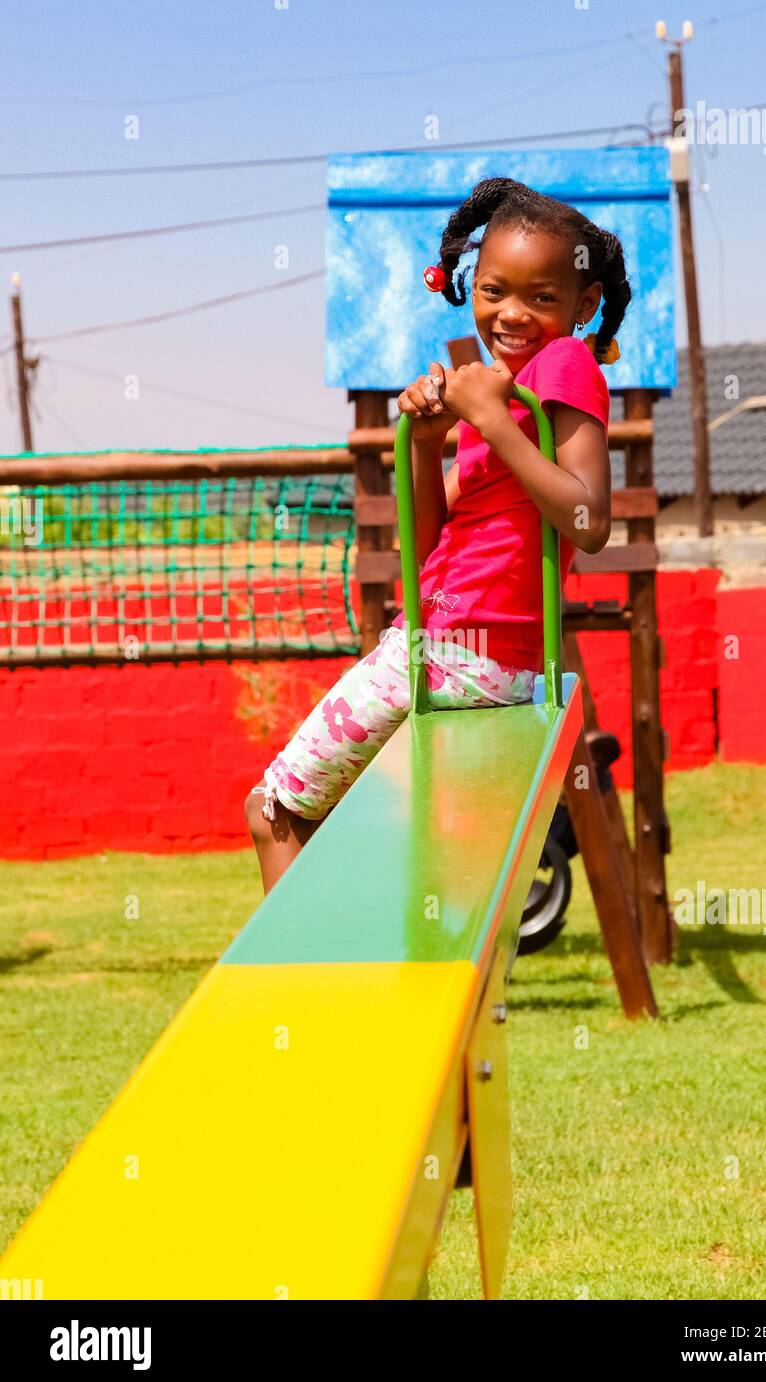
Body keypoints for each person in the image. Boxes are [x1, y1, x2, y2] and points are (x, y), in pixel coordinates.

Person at [245, 175, 631, 892]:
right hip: (465, 654)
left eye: (541, 298)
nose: (511, 314)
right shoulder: (501, 389)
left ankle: (306, 986)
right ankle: (377, 956)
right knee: (416, 842)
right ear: (466, 285)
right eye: (493, 291)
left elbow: (591, 520)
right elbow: (423, 553)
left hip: (454, 656)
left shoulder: (563, 366)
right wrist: (426, 443)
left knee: (273, 811)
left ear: (585, 305)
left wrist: (487, 420)